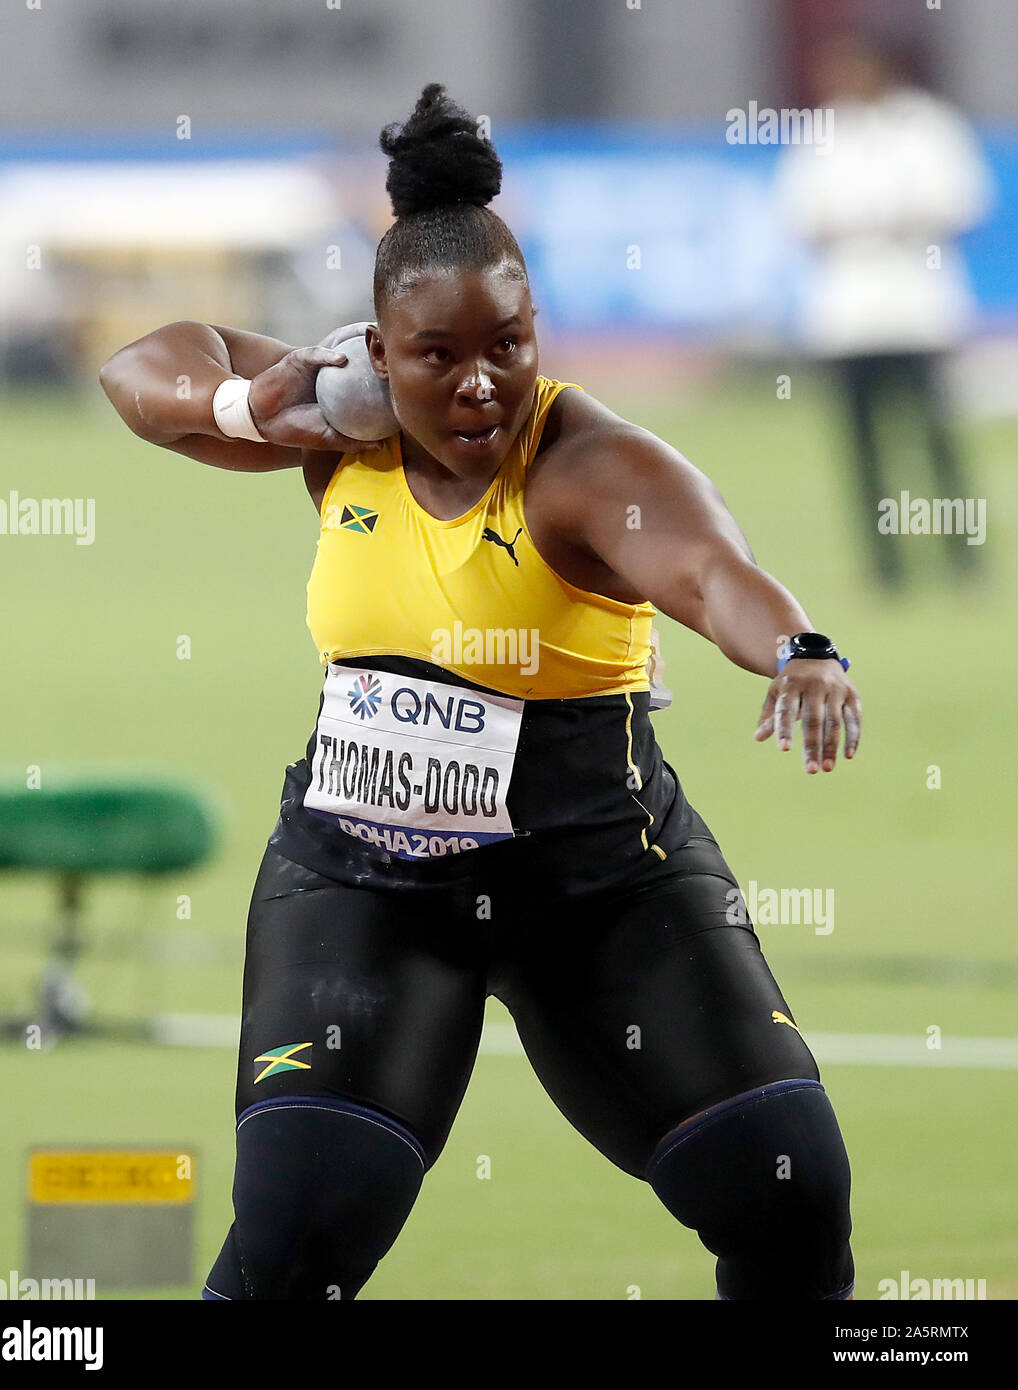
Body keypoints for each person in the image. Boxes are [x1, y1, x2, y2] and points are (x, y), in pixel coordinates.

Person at [99, 83, 862, 1301]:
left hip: (599, 885)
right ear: (375, 354)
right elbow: (142, 371)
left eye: (506, 346)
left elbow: (713, 574)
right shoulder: (340, 434)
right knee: (296, 1237)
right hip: (365, 881)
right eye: (435, 358)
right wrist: (260, 401)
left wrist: (802, 649)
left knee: (788, 1196)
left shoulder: (587, 465)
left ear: (538, 328)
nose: (476, 389)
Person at [777, 29, 994, 590]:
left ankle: (962, 558)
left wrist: (884, 218)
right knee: (863, 447)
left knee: (935, 440)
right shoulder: (823, 133)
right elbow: (805, 220)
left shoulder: (928, 127)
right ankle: (886, 565)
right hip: (848, 319)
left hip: (919, 311)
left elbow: (963, 205)